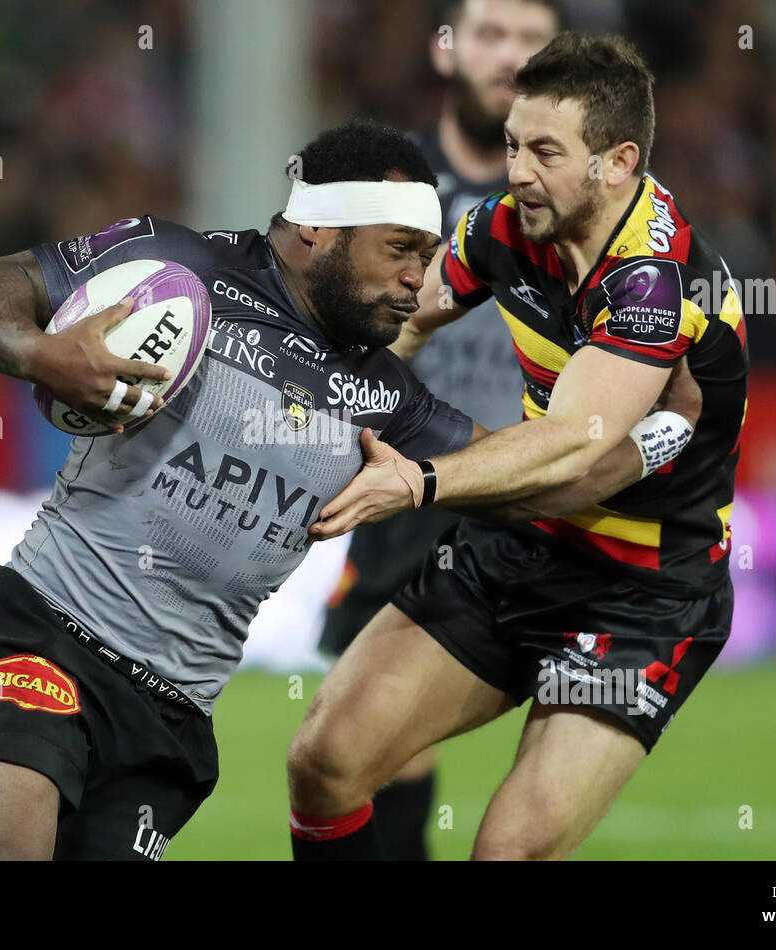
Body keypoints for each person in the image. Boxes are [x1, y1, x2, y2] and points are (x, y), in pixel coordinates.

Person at [0, 119, 680, 861]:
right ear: (317, 228)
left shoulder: (388, 400)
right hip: (47, 630)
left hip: (172, 710)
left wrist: (661, 439)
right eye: (397, 249)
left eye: (425, 258)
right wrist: (43, 355)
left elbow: (533, 483)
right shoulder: (182, 266)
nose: (415, 283)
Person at [287, 32, 748, 861]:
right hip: (515, 553)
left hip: (642, 595)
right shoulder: (504, 227)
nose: (518, 171)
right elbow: (412, 320)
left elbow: (573, 453)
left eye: (544, 151)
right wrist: (323, 408)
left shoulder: (652, 279)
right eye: (510, 145)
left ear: (617, 162)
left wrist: (421, 482)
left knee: (506, 852)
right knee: (323, 762)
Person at [319, 0, 560, 861]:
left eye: (532, 40)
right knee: (377, 750)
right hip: (407, 490)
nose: (511, 57)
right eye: (492, 34)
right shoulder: (392, 186)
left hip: (537, 489)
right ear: (446, 48)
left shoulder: (581, 206)